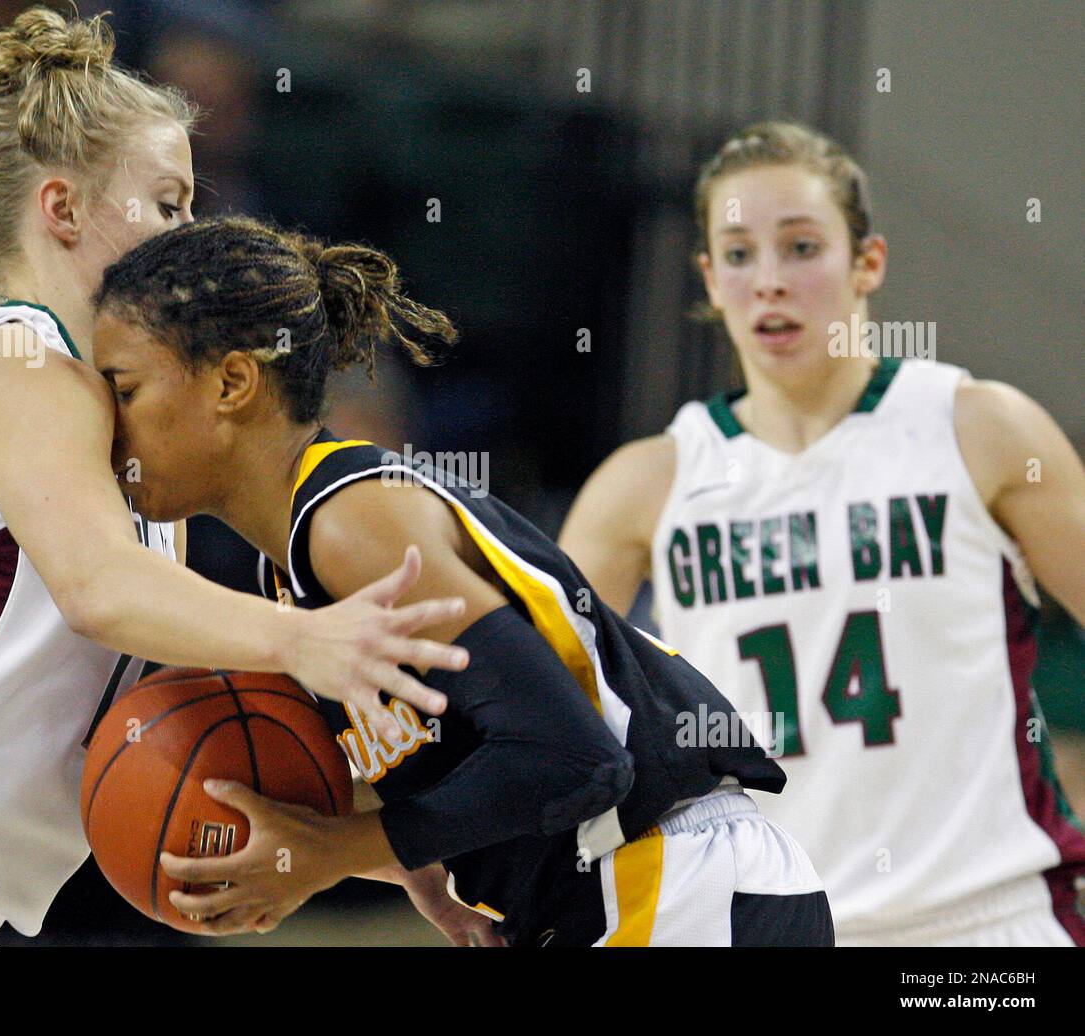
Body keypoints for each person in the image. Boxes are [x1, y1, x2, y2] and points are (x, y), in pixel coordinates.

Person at [0, 7, 468, 949]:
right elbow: (99, 590)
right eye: (169, 204)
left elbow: (191, 703)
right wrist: (310, 636)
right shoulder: (21, 368)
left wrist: (383, 853)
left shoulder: (126, 441)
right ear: (62, 209)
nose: (193, 232)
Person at [86, 214, 834, 947]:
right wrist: (422, 873)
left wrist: (335, 851)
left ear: (233, 384)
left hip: (675, 878)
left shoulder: (349, 524)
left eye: (125, 389)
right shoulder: (290, 565)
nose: (109, 425)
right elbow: (470, 757)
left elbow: (573, 760)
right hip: (618, 890)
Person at [559, 122, 1085, 946]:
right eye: (738, 254)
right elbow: (545, 703)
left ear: (867, 261)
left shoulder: (981, 430)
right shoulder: (646, 484)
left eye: (801, 247)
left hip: (989, 927)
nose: (769, 281)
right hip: (774, 925)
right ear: (708, 276)